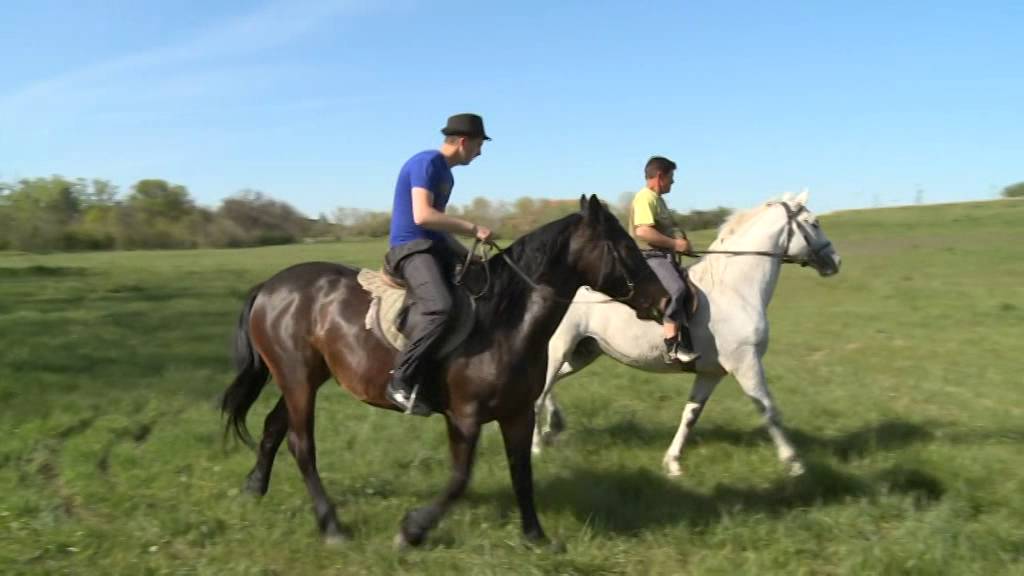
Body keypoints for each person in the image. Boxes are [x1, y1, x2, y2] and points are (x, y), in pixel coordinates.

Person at [384, 113, 494, 416]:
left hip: (433, 247)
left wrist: (467, 257)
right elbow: (423, 216)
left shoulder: (447, 174)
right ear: (463, 142)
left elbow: (440, 230)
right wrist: (472, 228)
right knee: (440, 307)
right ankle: (400, 381)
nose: (480, 152)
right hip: (410, 249)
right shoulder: (426, 163)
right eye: (478, 145)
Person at [629, 156, 700, 364]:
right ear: (660, 176)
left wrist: (682, 242)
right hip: (650, 257)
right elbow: (643, 231)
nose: (673, 182)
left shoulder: (658, 200)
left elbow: (669, 229)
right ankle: (672, 347)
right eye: (671, 177)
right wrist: (675, 244)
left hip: (664, 256)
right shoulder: (645, 198)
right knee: (676, 289)